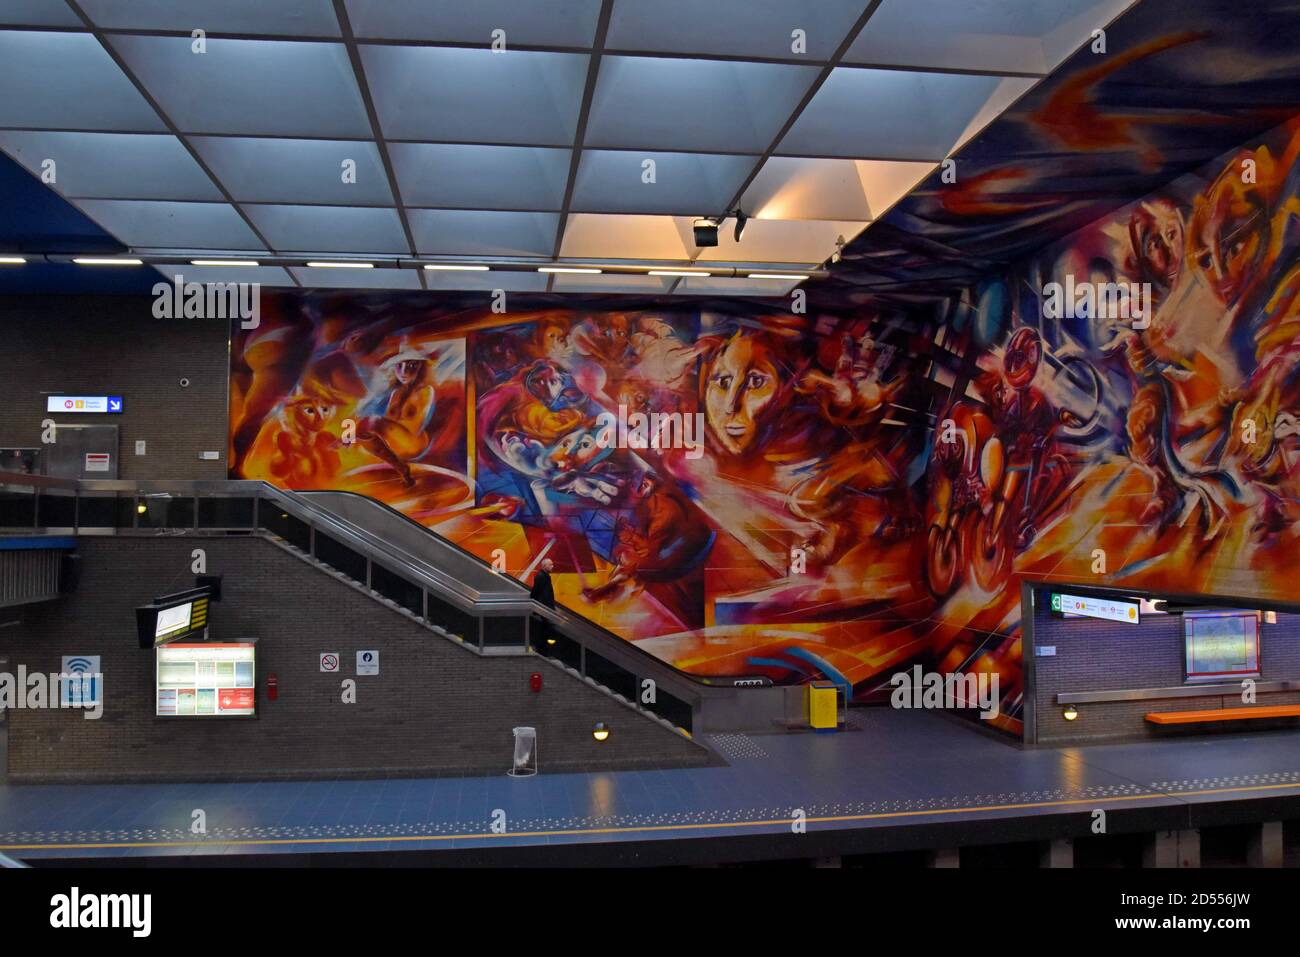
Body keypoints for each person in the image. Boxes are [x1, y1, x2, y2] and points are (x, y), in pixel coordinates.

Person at [529, 558, 556, 650]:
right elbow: (536, 591)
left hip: (546, 606)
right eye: (550, 564)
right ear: (544, 566)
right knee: (545, 628)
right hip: (544, 606)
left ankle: (542, 648)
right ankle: (541, 648)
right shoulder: (541, 576)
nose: (552, 566)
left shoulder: (545, 576)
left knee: (545, 628)